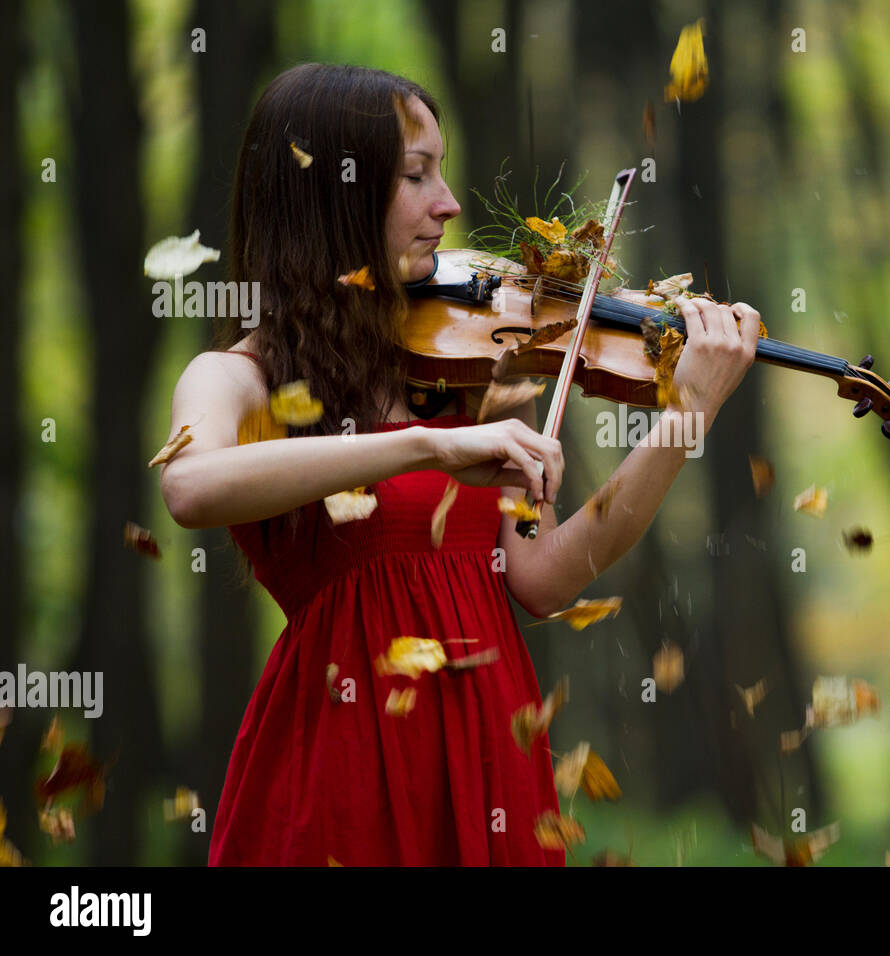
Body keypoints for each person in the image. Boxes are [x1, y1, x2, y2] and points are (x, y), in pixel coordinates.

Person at [159, 63, 760, 866]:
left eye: (440, 171)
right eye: (415, 176)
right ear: (330, 194)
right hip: (347, 758)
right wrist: (430, 446)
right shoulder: (239, 378)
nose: (446, 203)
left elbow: (544, 578)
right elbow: (189, 487)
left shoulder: (459, 372)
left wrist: (686, 416)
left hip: (489, 752)